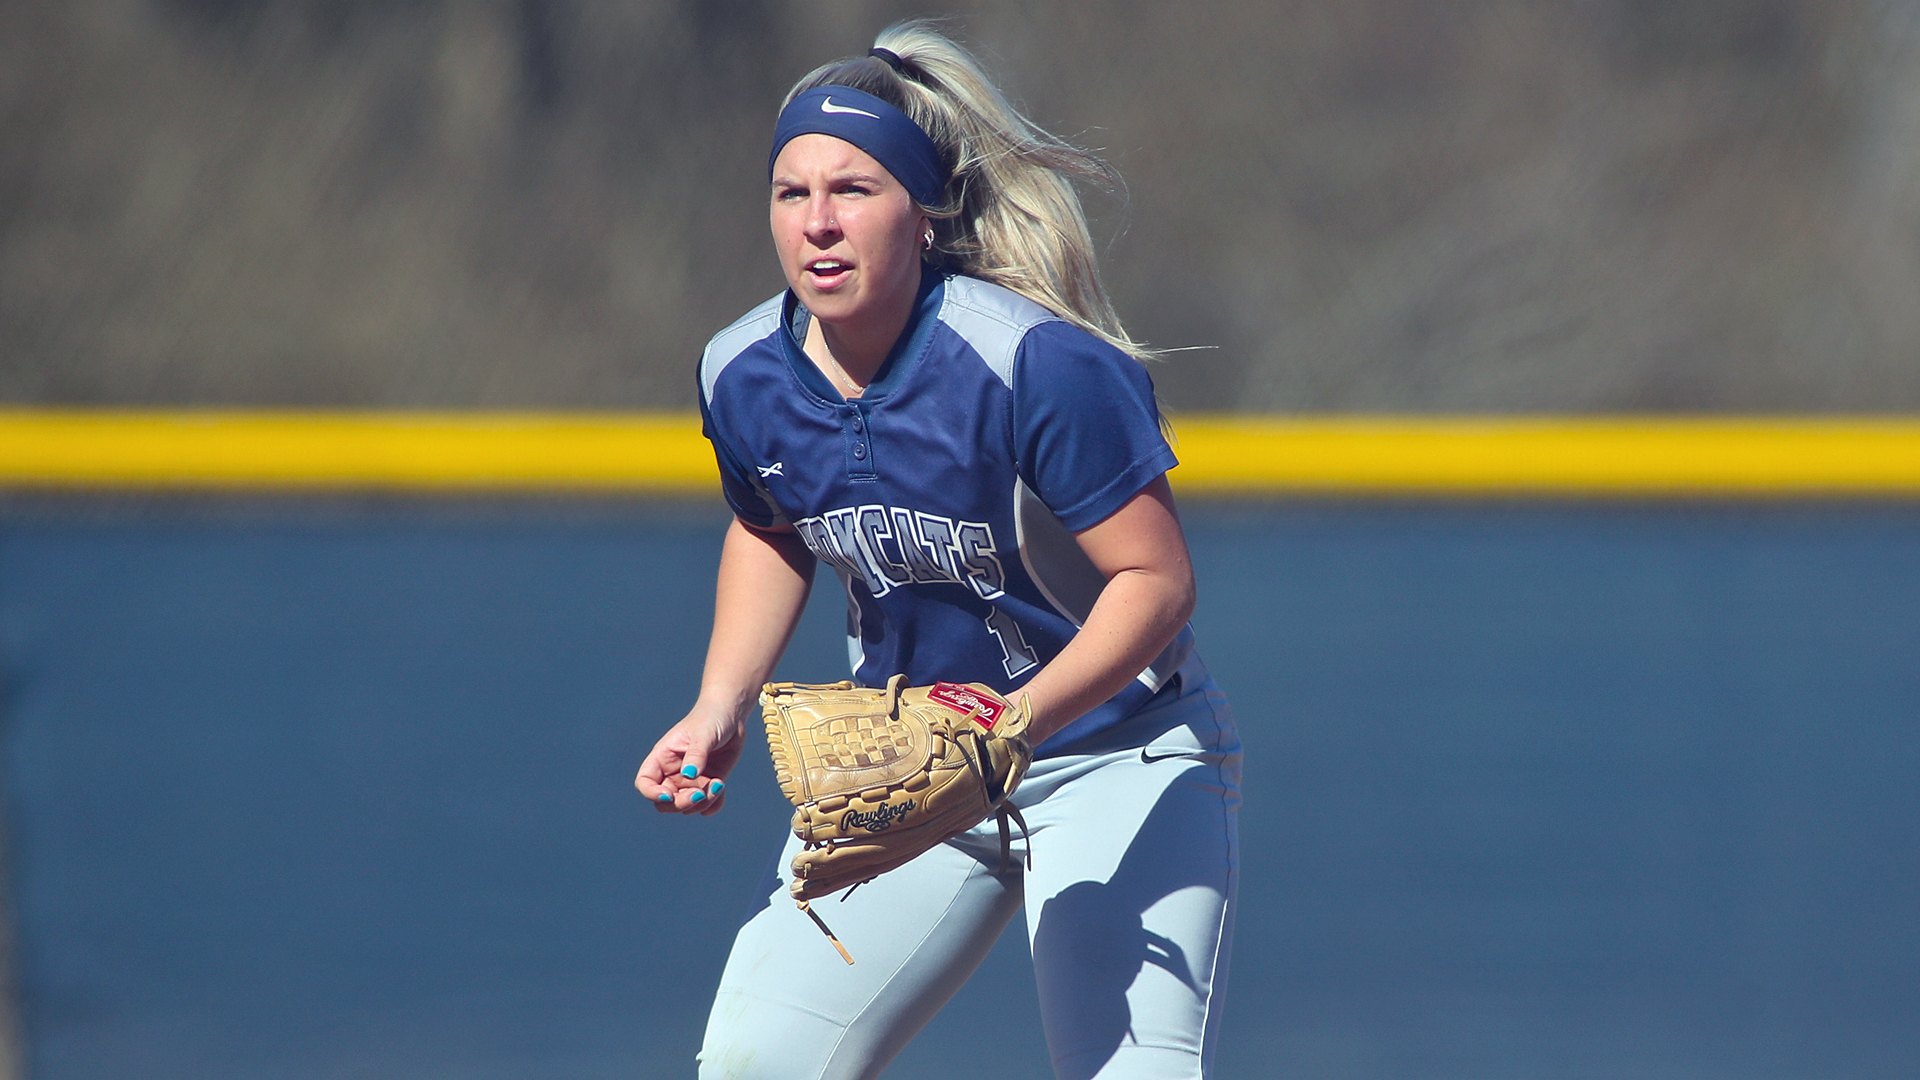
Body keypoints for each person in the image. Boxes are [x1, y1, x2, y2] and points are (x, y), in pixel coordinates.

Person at [635, 22, 1241, 1080]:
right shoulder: (742, 372)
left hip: (1115, 754)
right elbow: (769, 527)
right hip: (911, 769)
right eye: (791, 193)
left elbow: (1159, 583)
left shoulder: (1032, 364)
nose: (818, 223)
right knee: (754, 1063)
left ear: (923, 215)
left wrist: (1014, 726)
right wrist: (720, 700)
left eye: (855, 190)